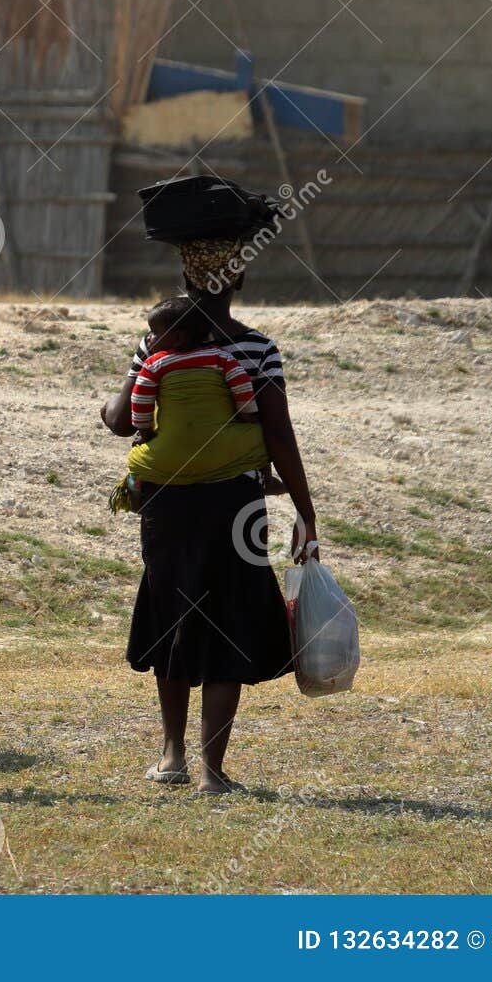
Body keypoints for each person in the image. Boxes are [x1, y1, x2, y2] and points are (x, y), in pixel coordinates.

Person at [100, 236, 318, 794]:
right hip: (236, 505)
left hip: (166, 504)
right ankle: (213, 773)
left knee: (173, 610)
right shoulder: (255, 349)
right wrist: (304, 512)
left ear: (185, 279)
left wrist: (144, 358)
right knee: (232, 617)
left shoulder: (157, 346)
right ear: (238, 281)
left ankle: (171, 756)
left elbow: (119, 420)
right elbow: (277, 433)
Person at [109, 296, 263, 512]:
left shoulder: (154, 363)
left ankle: (134, 492)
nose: (150, 338)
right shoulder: (221, 357)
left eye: (155, 333)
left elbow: (141, 398)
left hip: (171, 453)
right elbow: (241, 385)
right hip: (220, 452)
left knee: (137, 462)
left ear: (179, 338)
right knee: (260, 440)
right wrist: (248, 415)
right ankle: (266, 479)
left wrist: (144, 431)